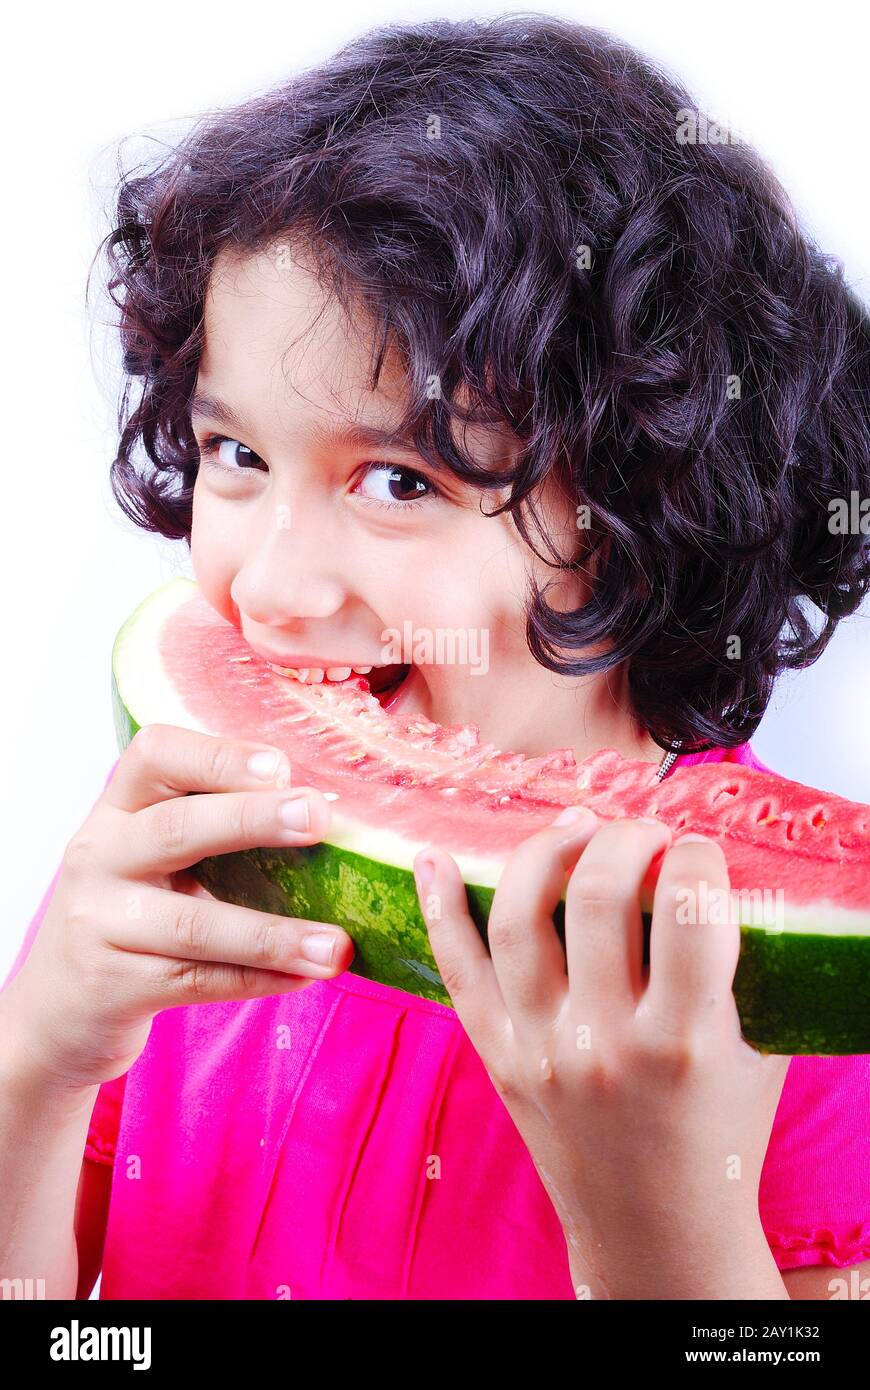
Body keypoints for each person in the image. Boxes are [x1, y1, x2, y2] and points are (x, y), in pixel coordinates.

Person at [1, 14, 868, 1300]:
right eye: (236, 454)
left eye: (399, 479)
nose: (275, 591)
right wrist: (31, 1069)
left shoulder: (773, 978)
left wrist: (660, 1221)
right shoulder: (180, 871)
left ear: (648, 508)